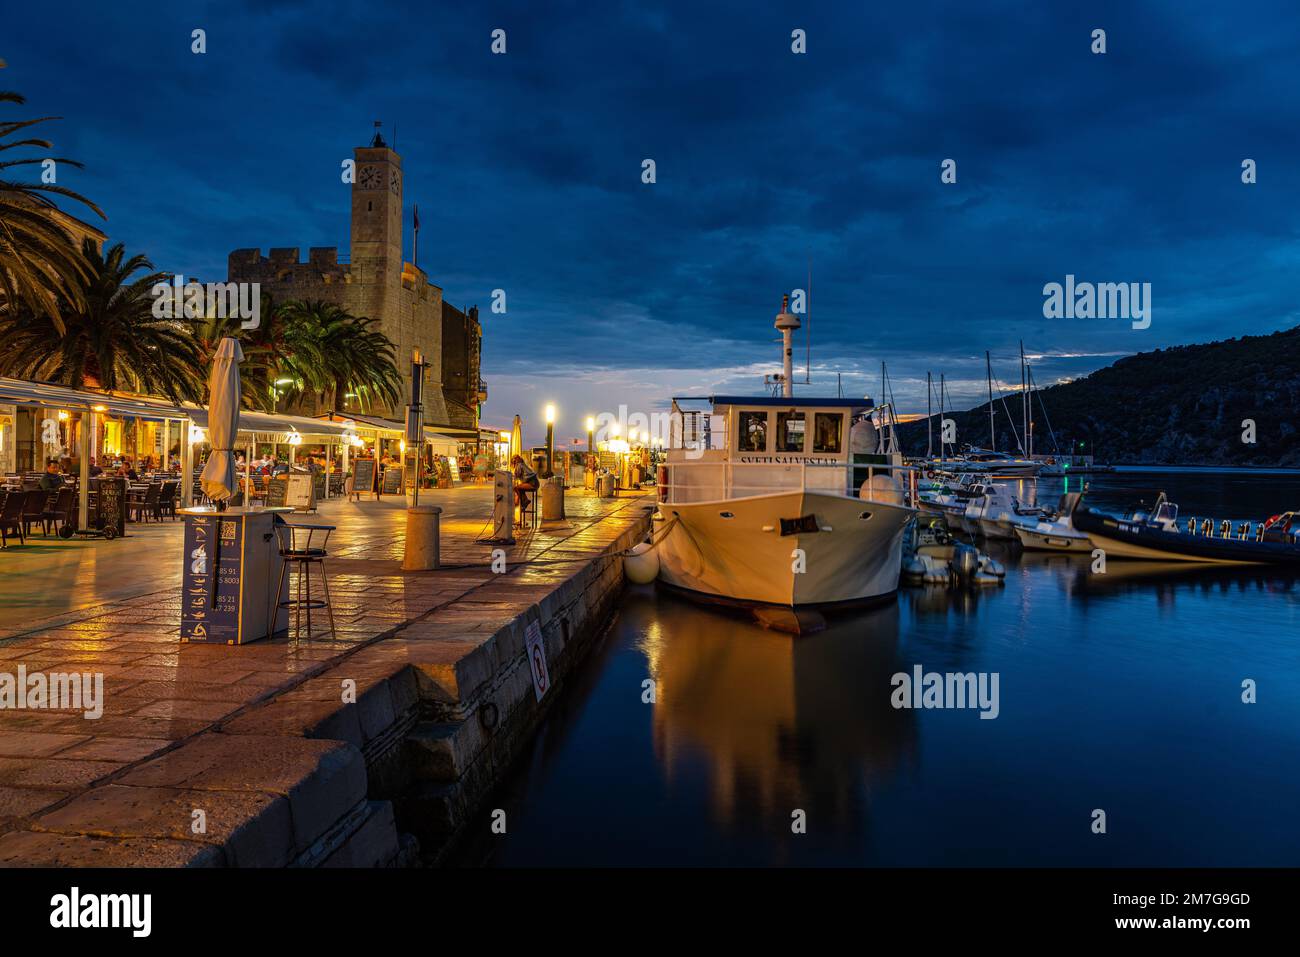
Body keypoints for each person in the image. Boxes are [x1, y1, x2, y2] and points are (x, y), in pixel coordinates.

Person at [511, 454, 539, 523]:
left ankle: (524, 501)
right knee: (519, 488)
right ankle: (523, 502)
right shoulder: (522, 464)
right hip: (534, 482)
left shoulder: (519, 465)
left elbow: (516, 475)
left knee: (516, 488)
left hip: (532, 484)